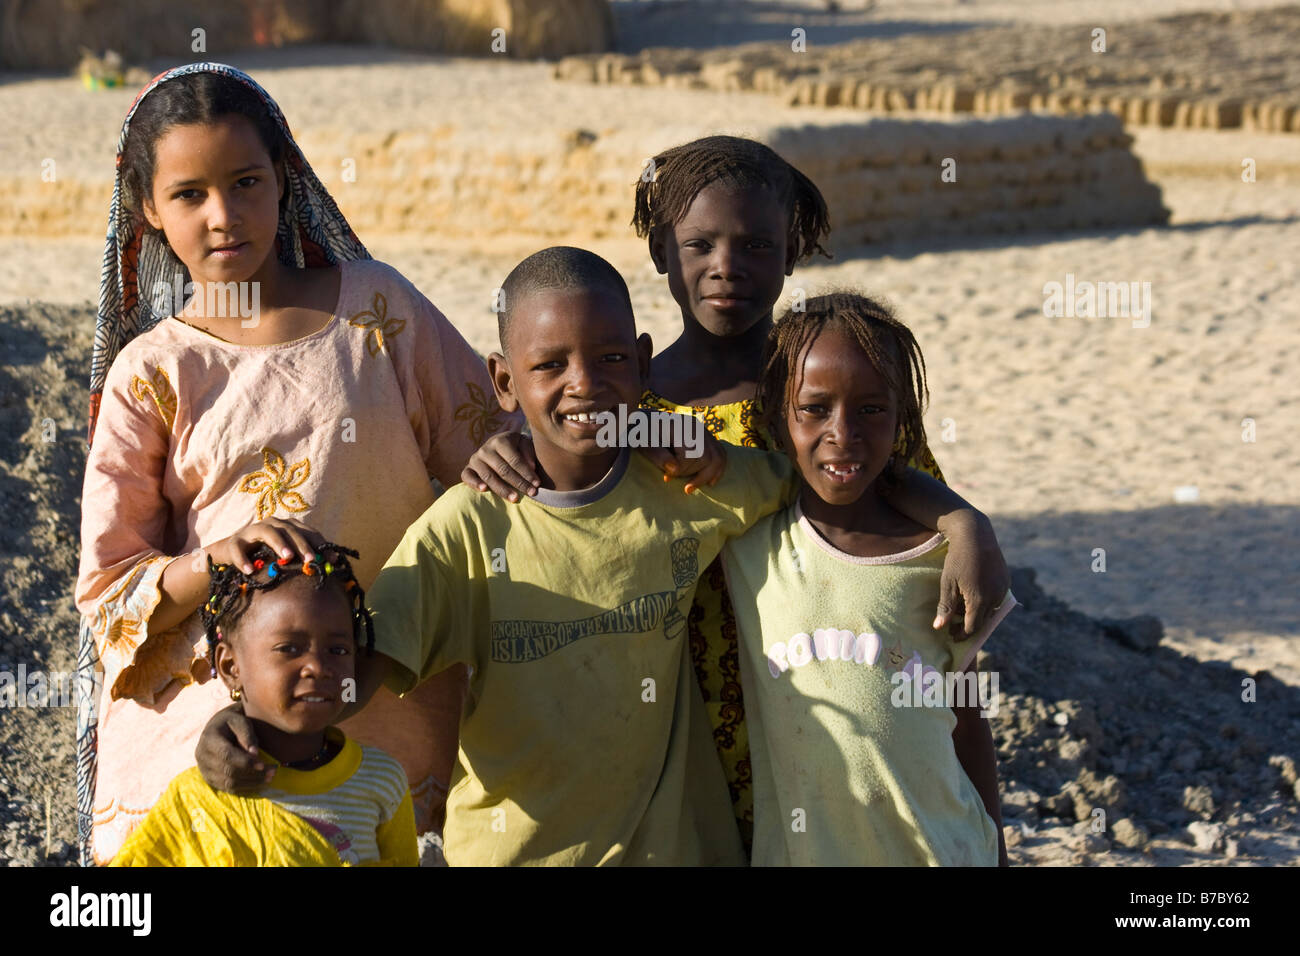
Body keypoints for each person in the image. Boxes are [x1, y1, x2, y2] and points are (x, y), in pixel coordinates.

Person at [463, 135, 1006, 848]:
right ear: (661, 250)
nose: (727, 268)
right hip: (671, 716)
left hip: (819, 696)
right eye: (700, 245)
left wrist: (966, 524)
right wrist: (507, 448)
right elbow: (566, 467)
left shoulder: (824, 381)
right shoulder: (629, 400)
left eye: (756, 245)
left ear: (791, 252)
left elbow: (892, 479)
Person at [75, 62, 510, 866]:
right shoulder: (152, 372)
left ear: (284, 176)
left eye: (245, 182)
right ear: (147, 209)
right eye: (189, 195)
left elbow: (494, 461)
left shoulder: (380, 312)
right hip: (216, 733)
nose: (223, 216)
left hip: (390, 704)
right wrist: (212, 562)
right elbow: (109, 594)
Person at [722, 292, 1015, 865]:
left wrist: (998, 852)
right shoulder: (749, 546)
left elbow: (967, 720)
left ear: (900, 417)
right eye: (815, 408)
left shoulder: (939, 563)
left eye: (871, 410)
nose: (843, 433)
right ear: (777, 420)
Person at [112, 544, 417, 866]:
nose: (318, 666)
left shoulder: (381, 779)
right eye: (289, 648)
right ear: (231, 668)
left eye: (338, 650)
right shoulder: (197, 800)